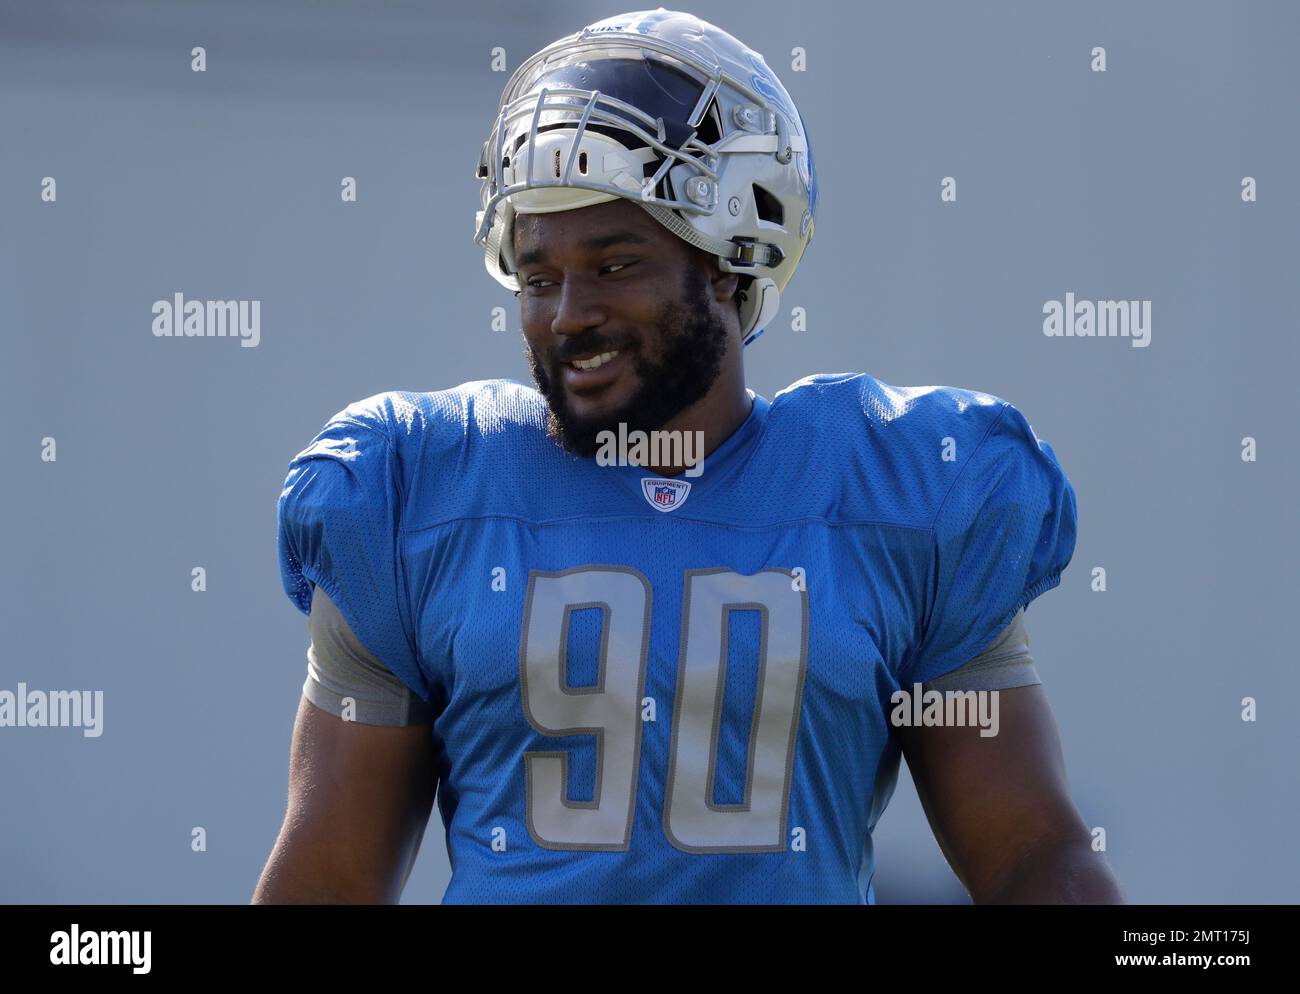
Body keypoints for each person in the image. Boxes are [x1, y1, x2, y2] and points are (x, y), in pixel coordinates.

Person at [253, 8, 1122, 904]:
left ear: (728, 263)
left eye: (615, 263)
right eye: (540, 275)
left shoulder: (901, 492)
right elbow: (329, 878)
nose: (567, 313)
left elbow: (1029, 854)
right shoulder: (411, 494)